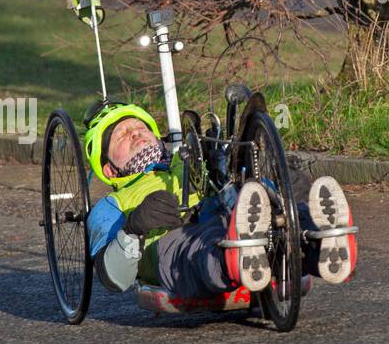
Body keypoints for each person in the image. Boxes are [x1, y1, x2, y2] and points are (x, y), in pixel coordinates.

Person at [84, 99, 357, 300]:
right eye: (121, 134)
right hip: (174, 242)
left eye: (141, 127)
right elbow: (114, 279)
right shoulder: (111, 205)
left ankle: (323, 242)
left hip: (230, 212)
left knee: (275, 201)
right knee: (194, 246)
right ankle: (238, 256)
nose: (135, 132)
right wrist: (134, 227)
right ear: (108, 168)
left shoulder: (190, 155)